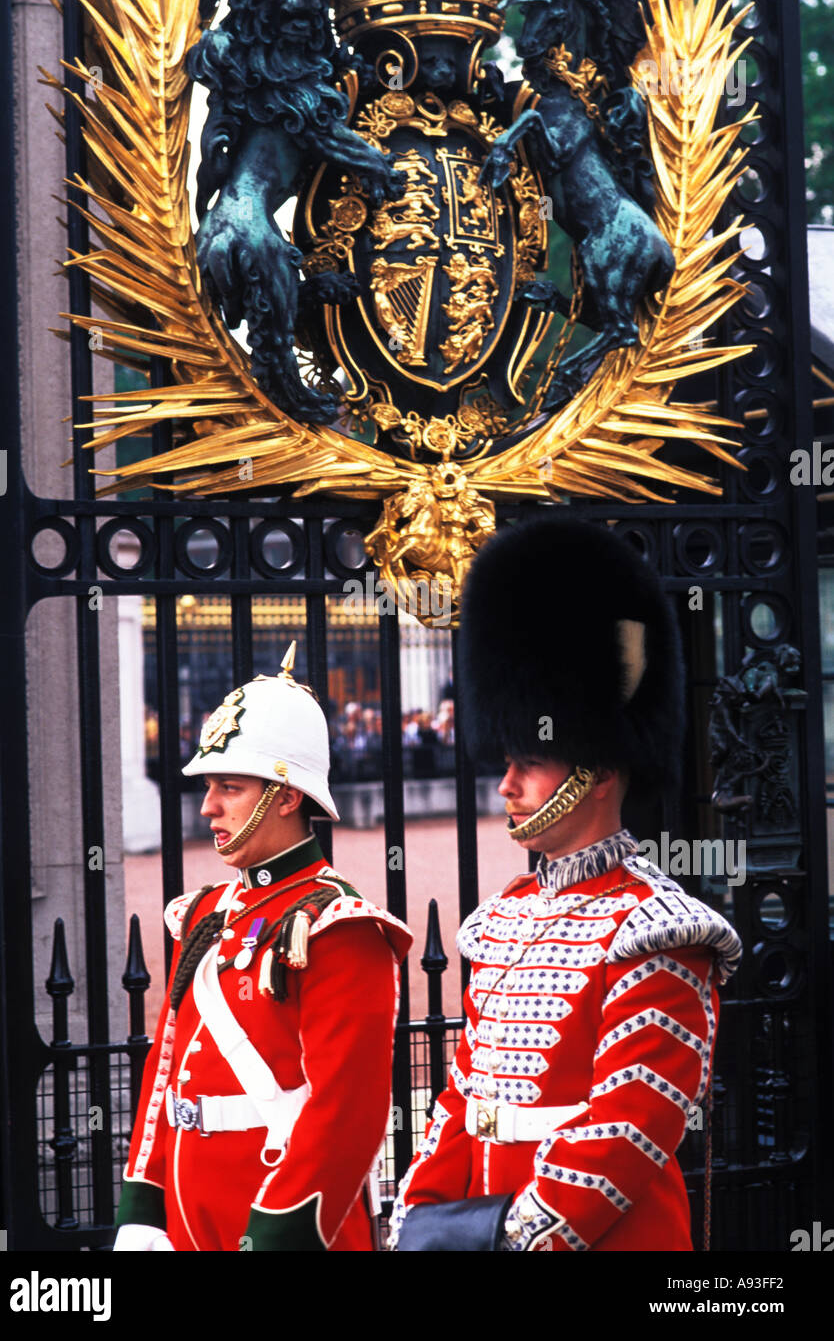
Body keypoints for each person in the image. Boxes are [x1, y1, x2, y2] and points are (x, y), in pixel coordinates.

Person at [388, 519, 742, 1252]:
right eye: (508, 760)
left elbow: (628, 1128)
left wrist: (509, 1239)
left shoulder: (662, 928)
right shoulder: (500, 921)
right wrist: (420, 1219)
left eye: (532, 763)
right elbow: (462, 1100)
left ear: (600, 766)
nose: (507, 785)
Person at [114, 644, 412, 1252]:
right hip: (189, 1208)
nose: (209, 807)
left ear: (286, 795)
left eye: (230, 786)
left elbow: (347, 1111)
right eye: (209, 786)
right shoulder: (203, 914)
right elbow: (166, 1065)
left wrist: (284, 1229)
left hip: (277, 1208)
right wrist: (143, 1202)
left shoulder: (339, 925)